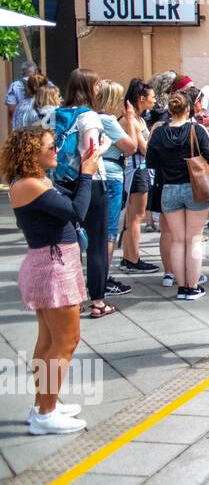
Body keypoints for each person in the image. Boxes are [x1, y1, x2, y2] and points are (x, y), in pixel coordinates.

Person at [3, 124, 101, 434]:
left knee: (48, 341)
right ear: (33, 154)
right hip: (52, 266)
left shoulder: (37, 180)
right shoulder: (29, 184)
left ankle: (45, 404)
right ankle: (45, 414)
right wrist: (87, 172)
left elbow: (67, 203)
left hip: (54, 263)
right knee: (66, 340)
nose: (56, 150)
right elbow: (76, 211)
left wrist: (85, 166)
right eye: (50, 147)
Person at [56, 69, 117, 317]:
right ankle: (98, 301)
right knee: (97, 243)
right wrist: (106, 145)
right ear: (90, 87)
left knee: (69, 243)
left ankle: (73, 298)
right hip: (90, 180)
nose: (100, 87)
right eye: (97, 84)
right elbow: (91, 151)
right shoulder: (89, 116)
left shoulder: (56, 113)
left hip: (62, 182)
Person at [146, 91, 209, 300]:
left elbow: (151, 162)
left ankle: (181, 286)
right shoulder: (197, 130)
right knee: (193, 239)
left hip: (168, 188)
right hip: (195, 188)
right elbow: (208, 158)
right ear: (189, 110)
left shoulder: (158, 133)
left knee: (177, 240)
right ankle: (192, 287)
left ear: (169, 111)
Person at [93, 79, 139, 298]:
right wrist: (130, 119)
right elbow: (131, 147)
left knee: (97, 230)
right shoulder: (107, 120)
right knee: (109, 231)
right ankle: (103, 280)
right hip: (111, 176)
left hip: (94, 174)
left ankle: (98, 277)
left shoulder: (89, 117)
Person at [118, 78, 159, 275]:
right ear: (141, 98)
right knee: (136, 217)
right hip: (136, 171)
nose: (154, 100)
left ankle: (129, 257)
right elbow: (144, 148)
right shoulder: (130, 120)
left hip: (138, 170)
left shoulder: (137, 119)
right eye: (152, 97)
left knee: (133, 216)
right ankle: (133, 259)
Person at [6, 60, 38, 127]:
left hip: (22, 125)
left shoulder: (14, 85)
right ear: (36, 71)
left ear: (22, 72)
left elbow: (11, 109)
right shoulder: (45, 83)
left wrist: (14, 123)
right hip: (40, 123)